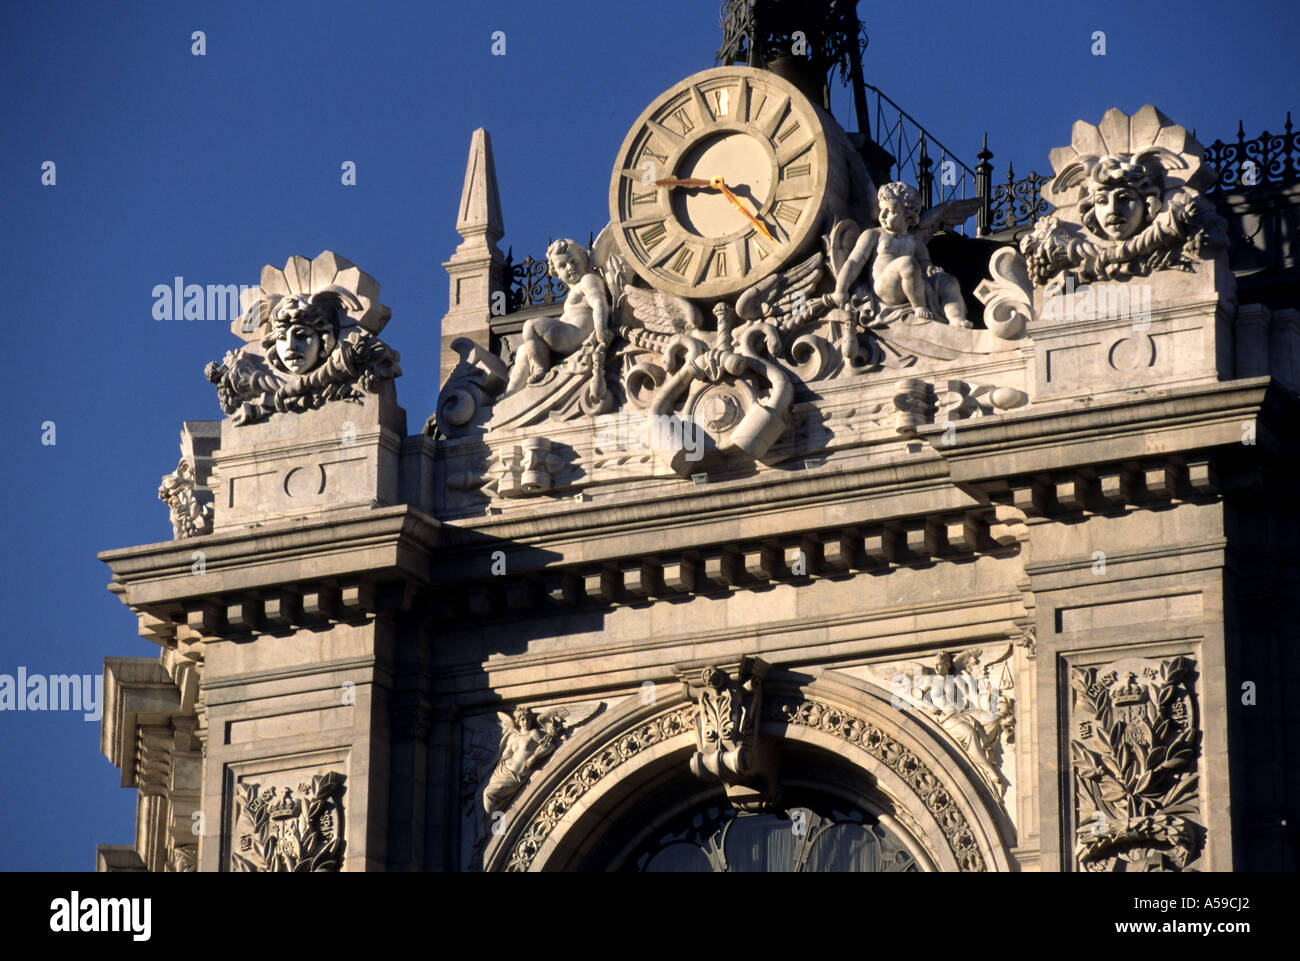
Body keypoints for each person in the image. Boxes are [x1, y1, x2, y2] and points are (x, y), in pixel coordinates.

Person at [831, 182, 971, 328]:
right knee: (907, 263)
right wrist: (840, 290)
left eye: (889, 211)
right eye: (881, 210)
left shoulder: (915, 241)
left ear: (908, 217)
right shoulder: (873, 235)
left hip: (914, 284)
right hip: (885, 288)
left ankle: (956, 318)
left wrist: (931, 269)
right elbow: (854, 262)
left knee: (948, 281)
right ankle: (919, 307)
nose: (882, 215)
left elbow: (925, 264)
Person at [506, 239, 612, 394]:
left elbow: (598, 301)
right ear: (555, 273)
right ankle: (511, 392)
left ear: (583, 260)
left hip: (574, 336)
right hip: (565, 337)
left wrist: (601, 328)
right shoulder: (575, 290)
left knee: (530, 326)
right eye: (562, 266)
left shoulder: (587, 279)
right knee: (523, 350)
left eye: (573, 261)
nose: (570, 267)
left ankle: (541, 368)